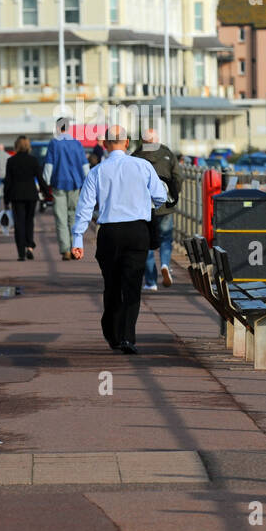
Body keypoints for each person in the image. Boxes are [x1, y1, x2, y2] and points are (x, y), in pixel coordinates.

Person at [71, 126, 168, 355]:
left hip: (110, 232)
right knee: (132, 285)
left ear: (105, 145)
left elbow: (85, 207)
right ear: (126, 143)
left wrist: (77, 239)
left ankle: (112, 331)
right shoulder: (143, 166)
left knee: (112, 284)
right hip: (137, 231)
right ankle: (127, 337)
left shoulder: (97, 171)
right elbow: (160, 196)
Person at [132, 128, 179, 291]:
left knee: (147, 243)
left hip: (143, 206)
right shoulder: (167, 154)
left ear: (143, 141)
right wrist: (174, 194)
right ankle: (165, 264)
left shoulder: (136, 156)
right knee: (166, 239)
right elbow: (178, 177)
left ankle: (151, 282)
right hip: (165, 205)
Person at [44, 116, 88, 260]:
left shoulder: (54, 144)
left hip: (59, 183)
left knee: (61, 218)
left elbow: (49, 166)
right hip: (76, 183)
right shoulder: (77, 143)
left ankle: (65, 250)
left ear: (57, 128)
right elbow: (85, 166)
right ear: (68, 127)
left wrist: (45, 183)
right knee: (74, 216)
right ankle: (75, 247)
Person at [3, 136, 42, 260]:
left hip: (16, 196)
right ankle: (29, 246)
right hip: (31, 195)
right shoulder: (33, 160)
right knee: (29, 221)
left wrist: (6, 199)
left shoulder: (11, 161)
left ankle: (21, 253)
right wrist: (47, 193)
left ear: (16, 146)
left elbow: (7, 182)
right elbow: (40, 179)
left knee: (19, 224)